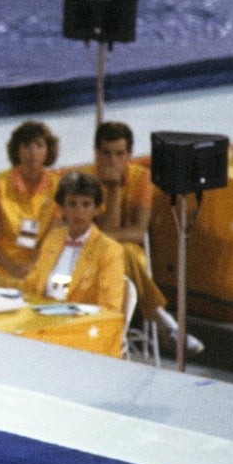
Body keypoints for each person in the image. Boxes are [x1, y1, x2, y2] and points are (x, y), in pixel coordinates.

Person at [88, 121, 204, 354]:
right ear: (97, 153)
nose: (112, 160)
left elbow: (138, 232)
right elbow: (103, 237)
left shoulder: (141, 178)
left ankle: (156, 323)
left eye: (119, 154)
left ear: (129, 154)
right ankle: (164, 321)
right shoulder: (86, 181)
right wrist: (112, 188)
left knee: (124, 251)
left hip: (126, 255)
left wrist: (99, 236)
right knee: (121, 251)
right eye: (106, 153)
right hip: (92, 256)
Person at [0, 171, 126, 314]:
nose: (79, 211)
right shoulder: (54, 239)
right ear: (62, 209)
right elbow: (31, 286)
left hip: (81, 328)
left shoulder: (109, 250)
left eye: (86, 204)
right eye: (72, 204)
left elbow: (109, 310)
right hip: (43, 317)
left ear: (97, 210)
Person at [0, 120, 62, 279]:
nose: (33, 152)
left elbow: (50, 239)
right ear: (17, 151)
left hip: (40, 264)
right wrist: (14, 269)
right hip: (1, 265)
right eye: (26, 146)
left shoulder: (57, 186)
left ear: (48, 151)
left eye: (39, 145)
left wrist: (32, 267)